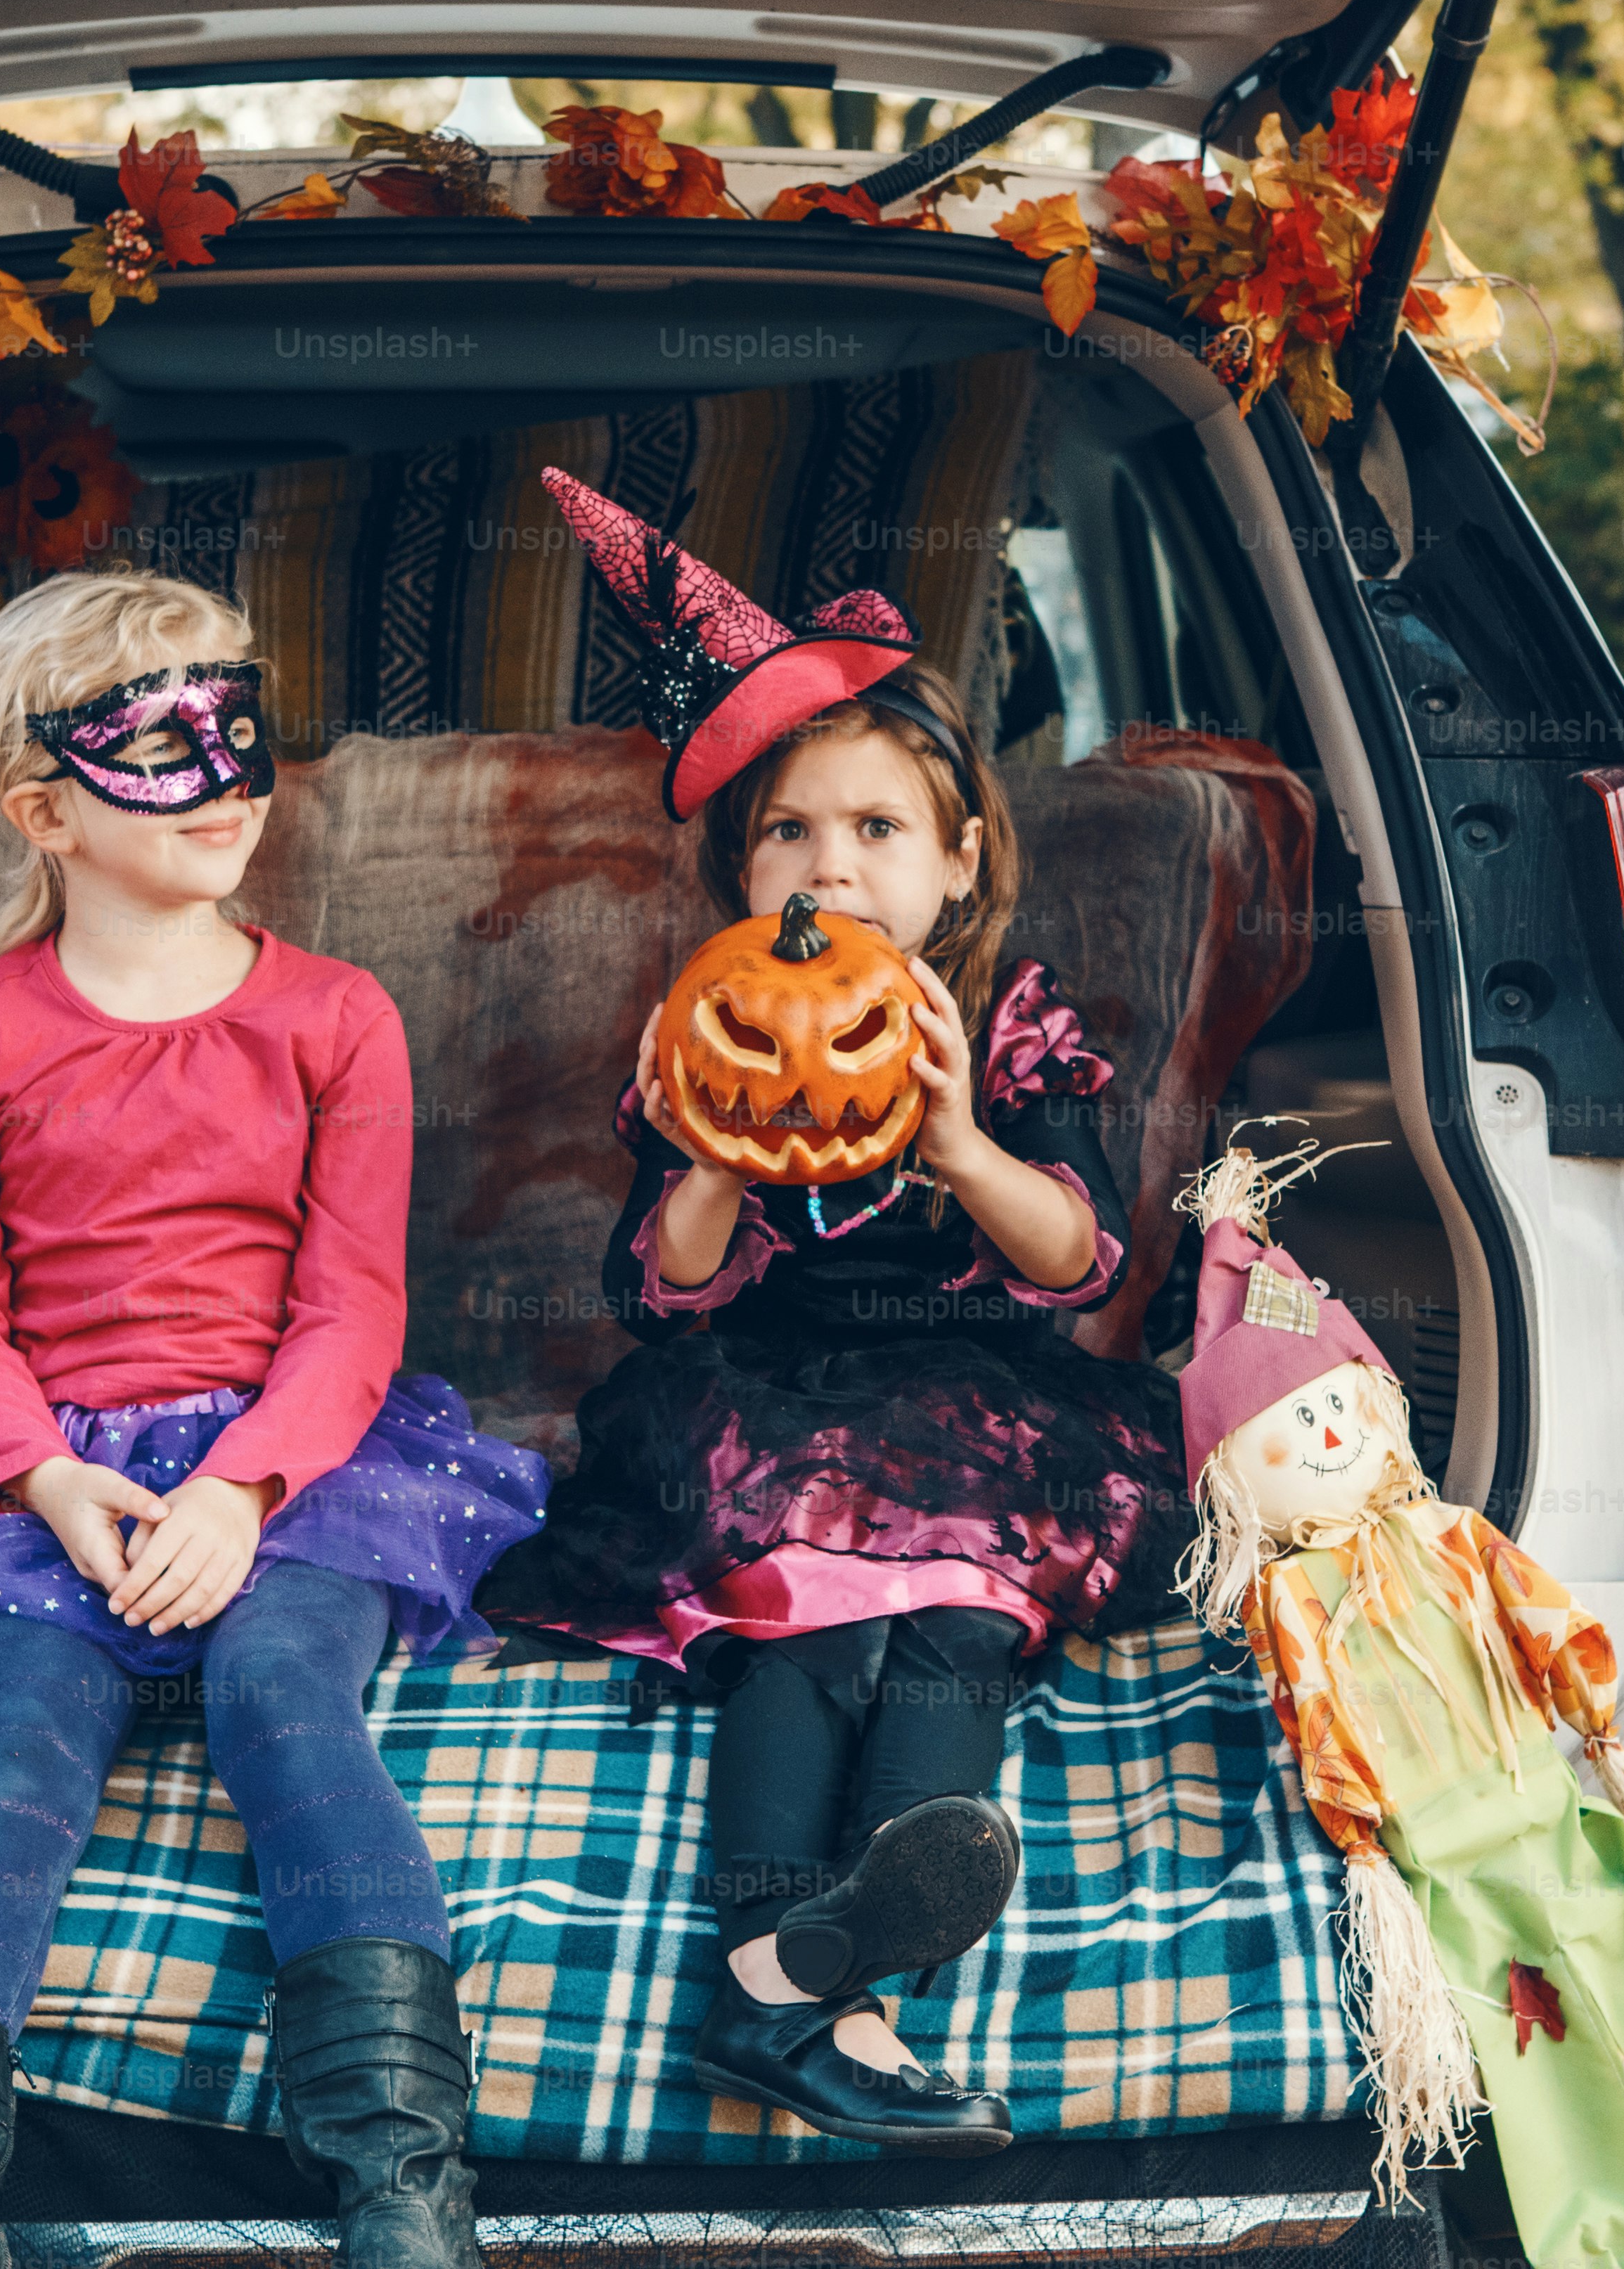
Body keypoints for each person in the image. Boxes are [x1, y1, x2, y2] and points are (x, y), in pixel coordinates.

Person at [0, 571, 550, 2269]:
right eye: (157, 740)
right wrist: (49, 1482)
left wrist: (243, 1492)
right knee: (21, 1741)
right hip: (41, 1469)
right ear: (42, 804)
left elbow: (352, 1308)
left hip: (298, 1469)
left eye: (237, 727)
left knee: (288, 1701)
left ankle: (404, 2186)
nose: (221, 775)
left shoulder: (336, 1017)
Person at [478, 471, 1188, 2156]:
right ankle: (806, 1992)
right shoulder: (714, 1020)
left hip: (980, 1403)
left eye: (876, 830)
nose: (832, 864)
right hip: (773, 1395)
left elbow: (1082, 1255)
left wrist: (956, 1139)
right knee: (804, 1635)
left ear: (960, 861)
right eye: (790, 830)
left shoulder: (1012, 1022)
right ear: (745, 867)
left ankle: (820, 1980)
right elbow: (656, 1286)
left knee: (954, 1623)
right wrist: (710, 1151)